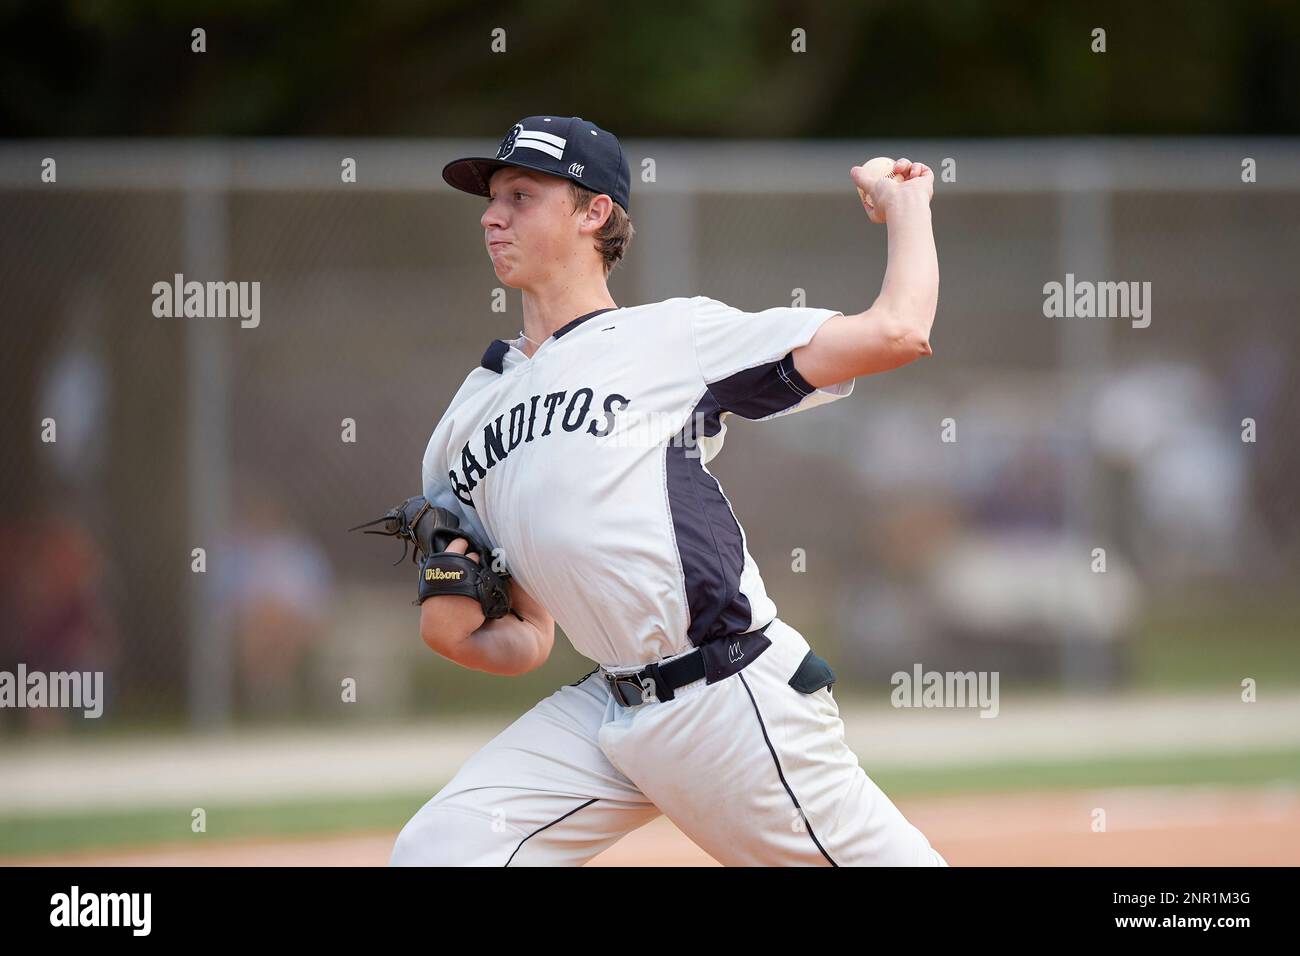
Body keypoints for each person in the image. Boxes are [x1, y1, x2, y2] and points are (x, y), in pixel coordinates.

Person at [391, 115, 943, 866]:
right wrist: (454, 623)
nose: (493, 214)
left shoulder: (673, 338)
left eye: (521, 195)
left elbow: (899, 332)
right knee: (442, 852)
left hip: (728, 692)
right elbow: (530, 637)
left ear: (595, 213)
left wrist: (906, 203)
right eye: (492, 198)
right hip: (609, 710)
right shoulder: (467, 418)